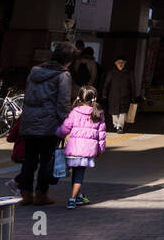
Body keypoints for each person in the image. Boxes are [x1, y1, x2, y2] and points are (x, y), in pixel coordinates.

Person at [17, 42, 77, 206]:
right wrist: (67, 123)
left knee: (29, 159)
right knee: (47, 160)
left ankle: (26, 193)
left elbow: (28, 95)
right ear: (69, 60)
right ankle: (41, 194)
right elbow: (63, 103)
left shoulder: (34, 71)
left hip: (29, 121)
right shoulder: (63, 75)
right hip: (49, 124)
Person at [57, 85, 106, 209]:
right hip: (86, 151)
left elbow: (65, 128)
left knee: (75, 173)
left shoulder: (75, 112)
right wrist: (100, 149)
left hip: (73, 149)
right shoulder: (98, 114)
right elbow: (101, 134)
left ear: (79, 98)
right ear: (94, 99)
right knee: (79, 175)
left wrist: (56, 133)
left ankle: (78, 196)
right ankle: (72, 199)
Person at [102, 57, 133, 134]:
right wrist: (104, 94)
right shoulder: (111, 73)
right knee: (114, 112)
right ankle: (116, 125)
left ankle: (120, 126)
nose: (120, 64)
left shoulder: (129, 73)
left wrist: (133, 96)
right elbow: (106, 84)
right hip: (113, 96)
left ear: (125, 64)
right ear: (115, 64)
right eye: (118, 62)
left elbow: (132, 85)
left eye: (122, 62)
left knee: (123, 112)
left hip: (125, 95)